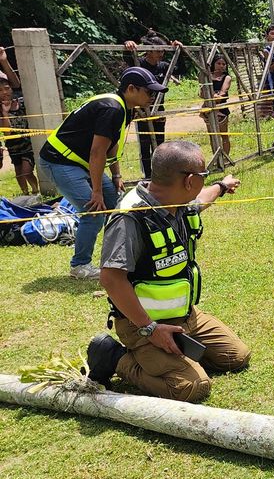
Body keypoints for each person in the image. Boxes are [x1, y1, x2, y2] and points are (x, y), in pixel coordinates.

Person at [86, 140, 248, 402]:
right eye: (204, 175)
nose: (205, 181)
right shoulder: (129, 217)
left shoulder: (176, 200)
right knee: (192, 387)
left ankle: (179, 355)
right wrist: (150, 328)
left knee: (236, 357)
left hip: (186, 316)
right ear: (189, 181)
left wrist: (220, 186)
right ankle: (116, 358)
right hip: (143, 324)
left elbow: (202, 199)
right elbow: (111, 279)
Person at [38, 66, 165, 279]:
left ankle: (119, 259)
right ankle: (80, 266)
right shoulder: (112, 109)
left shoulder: (126, 108)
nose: (153, 96)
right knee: (94, 211)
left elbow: (111, 146)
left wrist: (116, 175)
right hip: (59, 162)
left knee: (116, 204)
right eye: (149, 92)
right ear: (131, 89)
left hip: (79, 162)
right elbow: (97, 152)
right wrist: (96, 191)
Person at [124, 31, 181, 179]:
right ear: (149, 50)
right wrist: (128, 44)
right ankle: (148, 177)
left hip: (159, 110)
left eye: (163, 50)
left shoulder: (163, 66)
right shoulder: (139, 63)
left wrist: (178, 51)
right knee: (144, 144)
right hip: (141, 111)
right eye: (158, 50)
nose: (161, 53)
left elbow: (179, 68)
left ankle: (160, 174)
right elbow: (128, 58)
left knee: (160, 145)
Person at [0, 72, 39, 195]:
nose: (5, 92)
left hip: (28, 144)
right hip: (13, 146)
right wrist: (5, 113)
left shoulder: (22, 102)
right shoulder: (0, 111)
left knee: (27, 171)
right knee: (18, 173)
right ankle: (25, 194)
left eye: (7, 88)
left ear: (12, 89)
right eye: (0, 90)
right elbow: (7, 133)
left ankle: (36, 191)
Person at [209, 55, 233, 159]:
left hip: (222, 109)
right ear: (213, 64)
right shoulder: (208, 76)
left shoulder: (226, 78)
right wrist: (214, 96)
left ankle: (226, 157)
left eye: (223, 64)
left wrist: (212, 95)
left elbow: (222, 93)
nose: (221, 66)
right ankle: (217, 158)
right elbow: (201, 92)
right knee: (213, 136)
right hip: (208, 109)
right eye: (218, 63)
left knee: (224, 135)